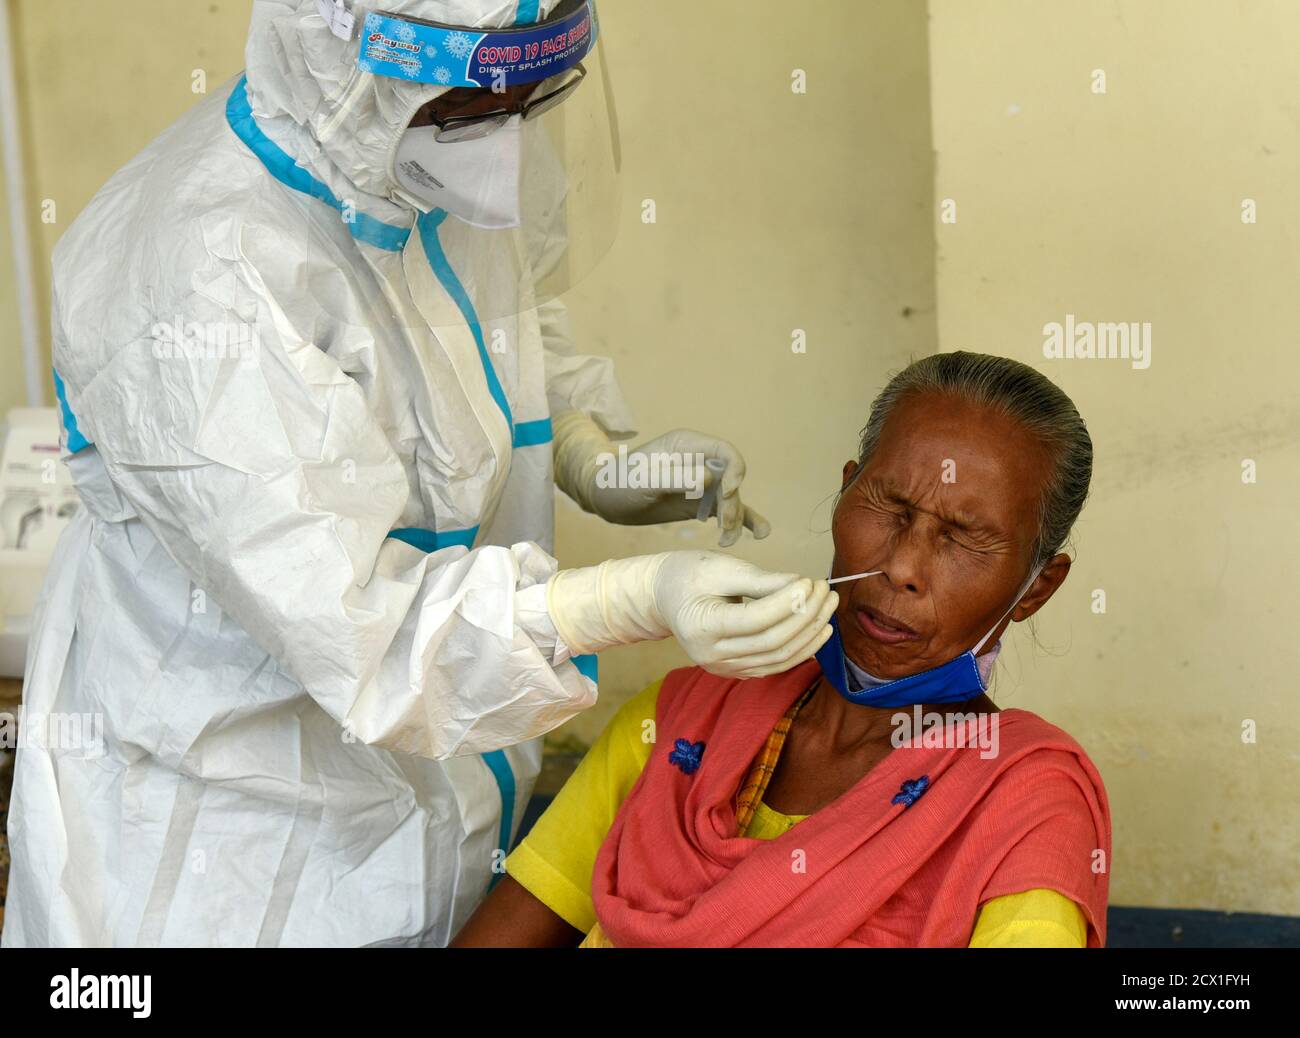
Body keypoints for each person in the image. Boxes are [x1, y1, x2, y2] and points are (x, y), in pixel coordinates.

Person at [1, 0, 837, 948]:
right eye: (478, 108)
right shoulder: (202, 276)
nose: (508, 148)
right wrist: (633, 597)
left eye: (534, 98)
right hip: (233, 850)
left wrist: (580, 450)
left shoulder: (412, 155)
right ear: (347, 56)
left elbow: (487, 329)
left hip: (438, 805)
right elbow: (362, 627)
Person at [454, 352, 1113, 948]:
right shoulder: (680, 723)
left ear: (1036, 588)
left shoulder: (1025, 803)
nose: (903, 568)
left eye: (966, 539)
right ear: (849, 488)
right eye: (890, 506)